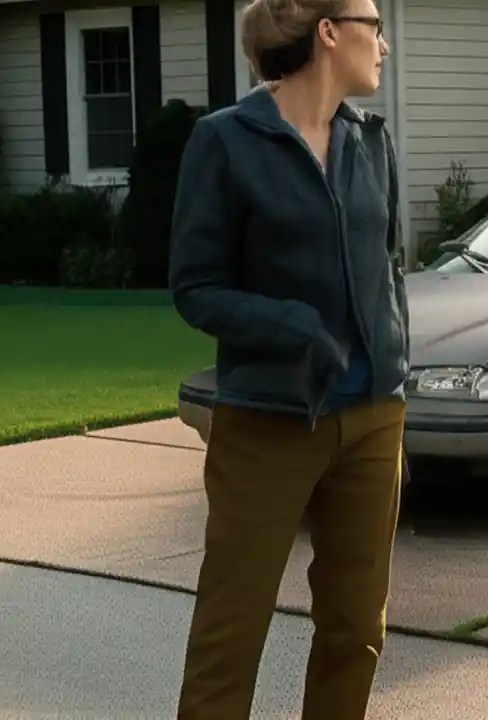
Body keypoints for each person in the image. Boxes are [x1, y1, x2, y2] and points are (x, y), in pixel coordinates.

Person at [166, 0, 408, 716]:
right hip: (266, 421)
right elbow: (195, 288)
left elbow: (389, 265)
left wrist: (394, 354)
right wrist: (292, 324)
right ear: (329, 32)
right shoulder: (225, 141)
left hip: (373, 419)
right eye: (374, 26)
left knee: (357, 630)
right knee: (231, 631)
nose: (384, 45)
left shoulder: (372, 141)